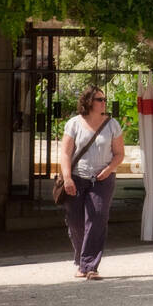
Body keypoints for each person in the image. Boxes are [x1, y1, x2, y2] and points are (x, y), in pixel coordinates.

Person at [60, 85, 124, 280]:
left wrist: (109, 169)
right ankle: (81, 260)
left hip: (101, 179)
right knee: (76, 223)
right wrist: (67, 177)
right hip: (77, 178)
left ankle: (90, 266)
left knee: (97, 219)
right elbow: (65, 152)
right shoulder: (74, 124)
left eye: (104, 100)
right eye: (100, 100)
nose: (104, 103)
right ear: (88, 102)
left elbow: (120, 154)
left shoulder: (112, 124)